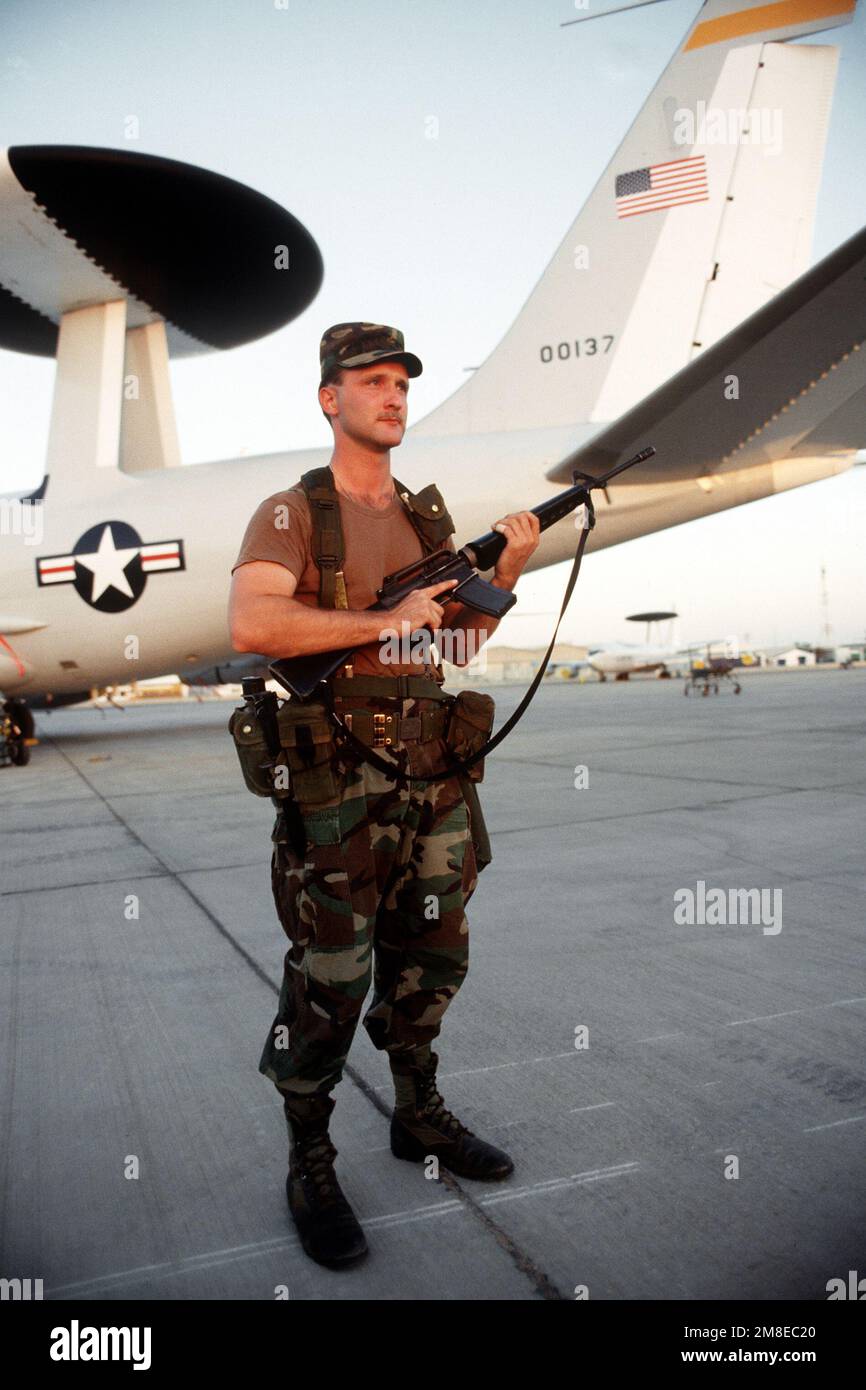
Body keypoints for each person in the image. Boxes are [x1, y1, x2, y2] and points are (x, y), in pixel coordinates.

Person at [228, 322, 540, 1268]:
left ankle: (419, 1115)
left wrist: (506, 576)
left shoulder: (425, 521)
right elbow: (254, 621)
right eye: (371, 381)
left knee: (435, 955)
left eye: (403, 380)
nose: (393, 394)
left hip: (429, 771)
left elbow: (438, 653)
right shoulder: (294, 513)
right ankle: (311, 1158)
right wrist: (379, 615)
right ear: (331, 398)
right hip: (335, 778)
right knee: (332, 977)